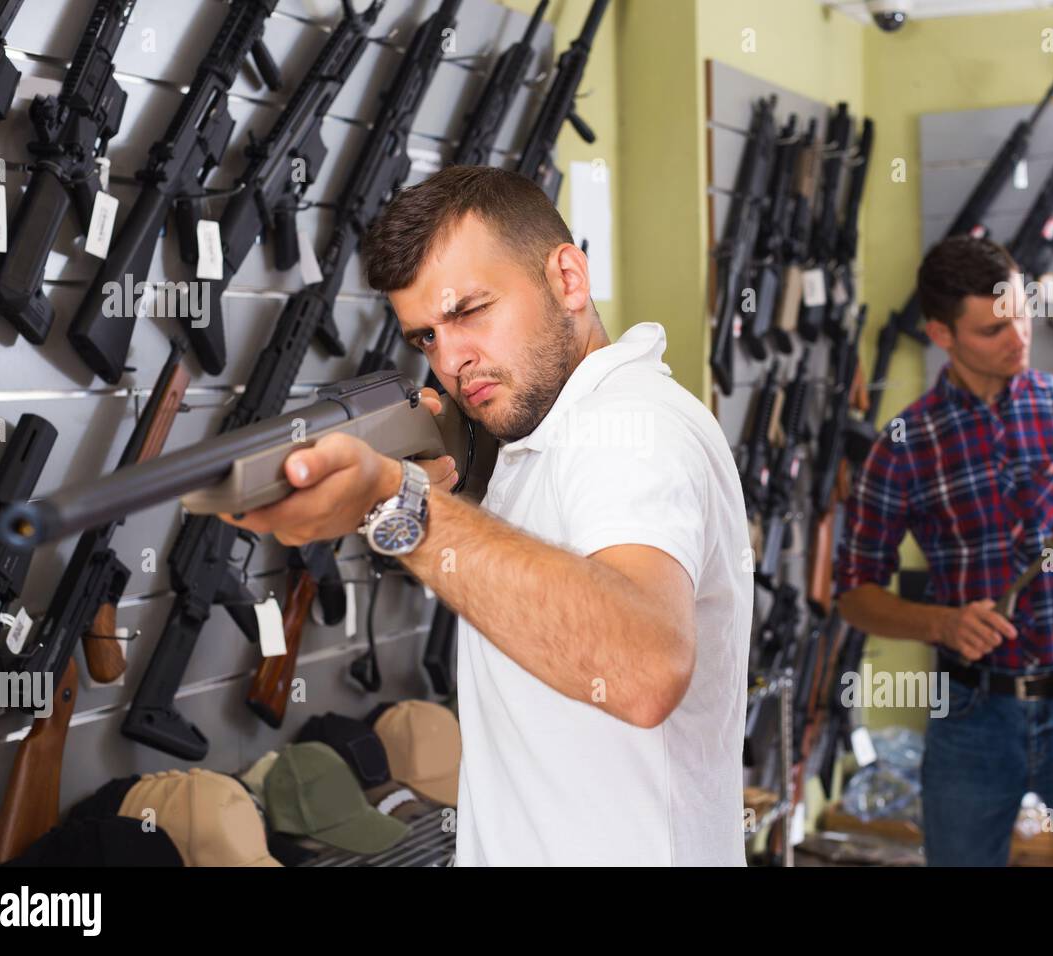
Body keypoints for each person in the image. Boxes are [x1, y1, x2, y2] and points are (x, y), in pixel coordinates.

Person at [222, 165, 753, 866]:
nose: (452, 359)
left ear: (567, 278)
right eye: (425, 339)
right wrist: (450, 504)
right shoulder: (548, 437)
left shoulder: (628, 428)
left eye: (469, 312)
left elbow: (643, 670)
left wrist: (400, 507)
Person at [836, 236, 1053, 866]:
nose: (1018, 336)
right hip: (971, 714)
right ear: (941, 333)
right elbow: (854, 594)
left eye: (1021, 313)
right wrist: (941, 623)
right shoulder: (904, 445)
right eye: (993, 328)